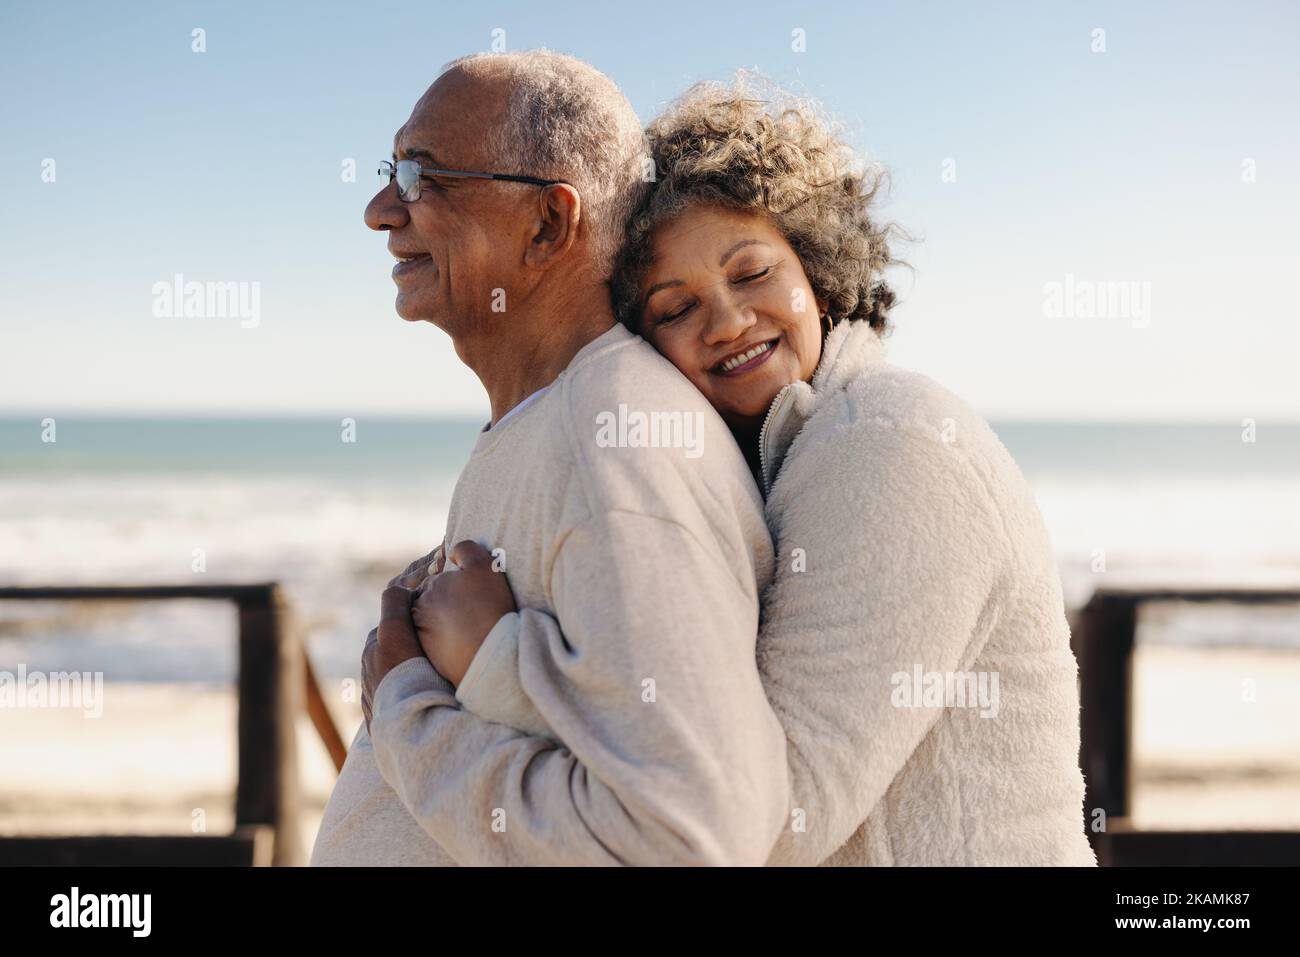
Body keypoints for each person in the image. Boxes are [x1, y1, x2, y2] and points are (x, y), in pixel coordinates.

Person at [409, 81, 1098, 866]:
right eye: (674, 308)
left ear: (817, 266)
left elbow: (762, 832)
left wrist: (488, 664)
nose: (727, 321)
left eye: (751, 273)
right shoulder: (778, 457)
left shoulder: (891, 444)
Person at [310, 52, 791, 866]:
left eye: (424, 174)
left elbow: (684, 836)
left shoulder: (616, 437)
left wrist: (405, 710)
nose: (381, 209)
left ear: (548, 225)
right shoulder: (558, 417)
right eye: (391, 168)